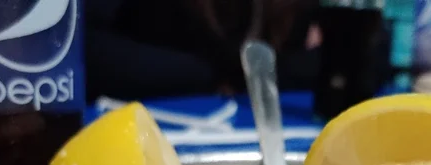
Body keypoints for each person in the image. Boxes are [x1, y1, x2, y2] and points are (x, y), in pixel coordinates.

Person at [85, 0, 321, 101]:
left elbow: (327, 64)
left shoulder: (296, 11)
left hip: (266, 127)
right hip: (158, 121)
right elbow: (92, 54)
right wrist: (214, 73)